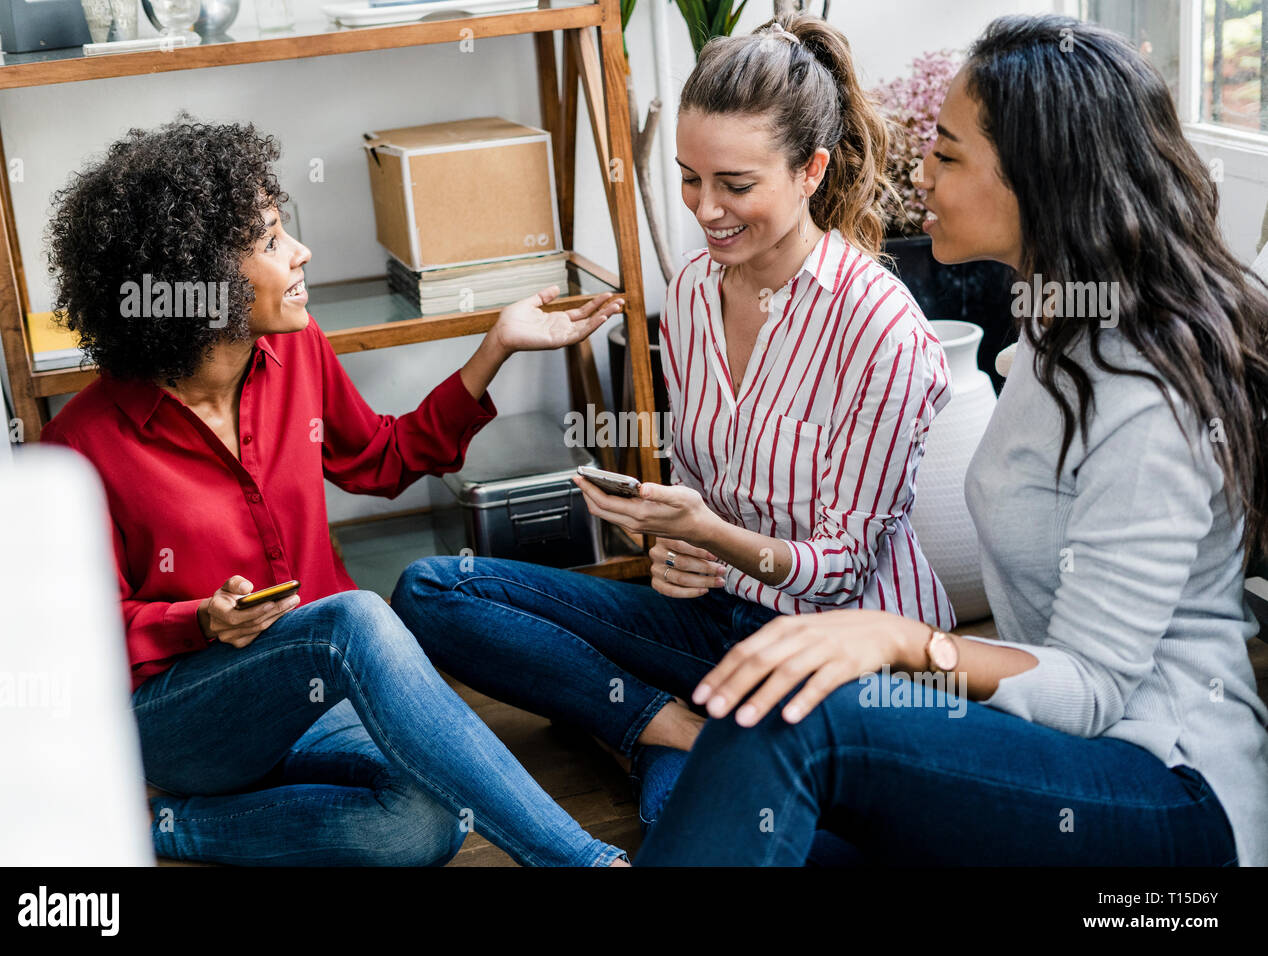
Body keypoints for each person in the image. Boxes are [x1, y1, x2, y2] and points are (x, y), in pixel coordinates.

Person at [635, 13, 1268, 866]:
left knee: (798, 715)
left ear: (1039, 181)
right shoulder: (1051, 327)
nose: (919, 172)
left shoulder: (1145, 386)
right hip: (1043, 750)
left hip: (1165, 792)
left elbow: (1090, 691)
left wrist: (895, 642)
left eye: (950, 152)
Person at [397, 13, 953, 832]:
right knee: (434, 591)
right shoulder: (693, 291)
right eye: (691, 179)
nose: (706, 209)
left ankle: (673, 735)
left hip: (838, 655)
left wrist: (713, 539)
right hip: (715, 625)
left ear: (810, 172)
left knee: (678, 821)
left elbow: (837, 572)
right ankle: (677, 727)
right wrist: (679, 545)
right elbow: (702, 492)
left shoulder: (880, 329)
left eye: (735, 184)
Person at [39, 116, 630, 866]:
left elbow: (381, 460)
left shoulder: (297, 351)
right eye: (271, 240)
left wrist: (497, 349)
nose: (300, 253)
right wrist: (200, 622)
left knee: (428, 822)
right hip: (185, 719)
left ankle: (174, 828)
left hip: (316, 687)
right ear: (197, 284)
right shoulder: (85, 446)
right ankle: (581, 860)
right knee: (354, 616)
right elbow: (82, 639)